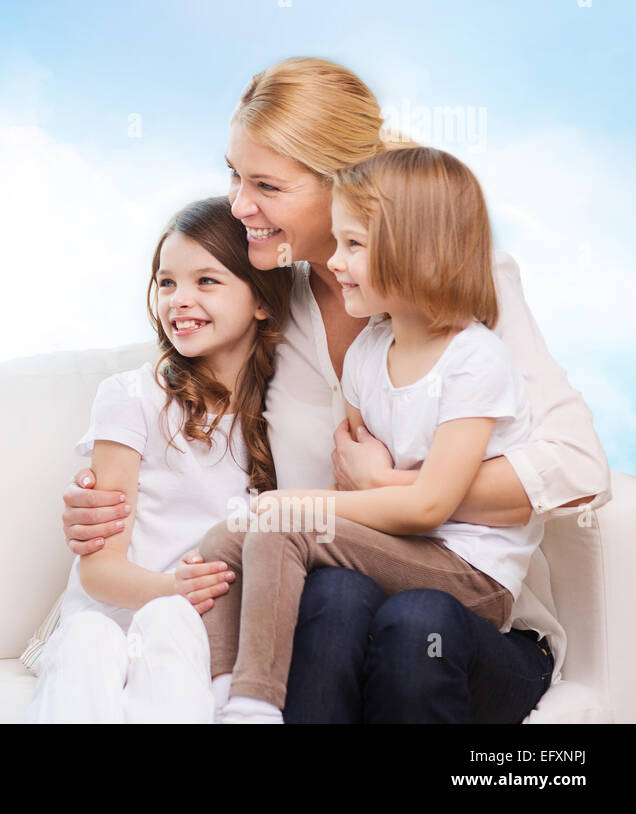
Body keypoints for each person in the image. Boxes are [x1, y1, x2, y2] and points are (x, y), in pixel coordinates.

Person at [60, 58, 611, 723]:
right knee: (335, 598)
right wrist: (106, 508)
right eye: (234, 175)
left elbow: (578, 467)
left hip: (466, 627)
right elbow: (179, 407)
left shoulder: (459, 283)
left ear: (346, 183)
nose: (240, 206)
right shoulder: (267, 301)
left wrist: (399, 487)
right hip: (330, 617)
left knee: (412, 622)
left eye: (266, 184)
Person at [200, 146, 538, 724]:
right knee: (225, 539)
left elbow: (431, 503)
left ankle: (254, 706)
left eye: (353, 245)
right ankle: (218, 687)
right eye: (337, 242)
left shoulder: (473, 360)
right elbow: (354, 495)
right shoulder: (368, 353)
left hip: (468, 571)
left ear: (416, 251)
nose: (333, 261)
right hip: (400, 552)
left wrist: (291, 505)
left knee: (280, 523)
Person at [27, 198, 292, 723]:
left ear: (262, 300)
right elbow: (100, 570)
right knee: (89, 638)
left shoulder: (284, 411)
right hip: (112, 613)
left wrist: (181, 603)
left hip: (194, 629)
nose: (179, 300)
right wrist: (173, 589)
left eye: (206, 282)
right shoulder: (132, 397)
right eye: (166, 282)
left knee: (172, 628)